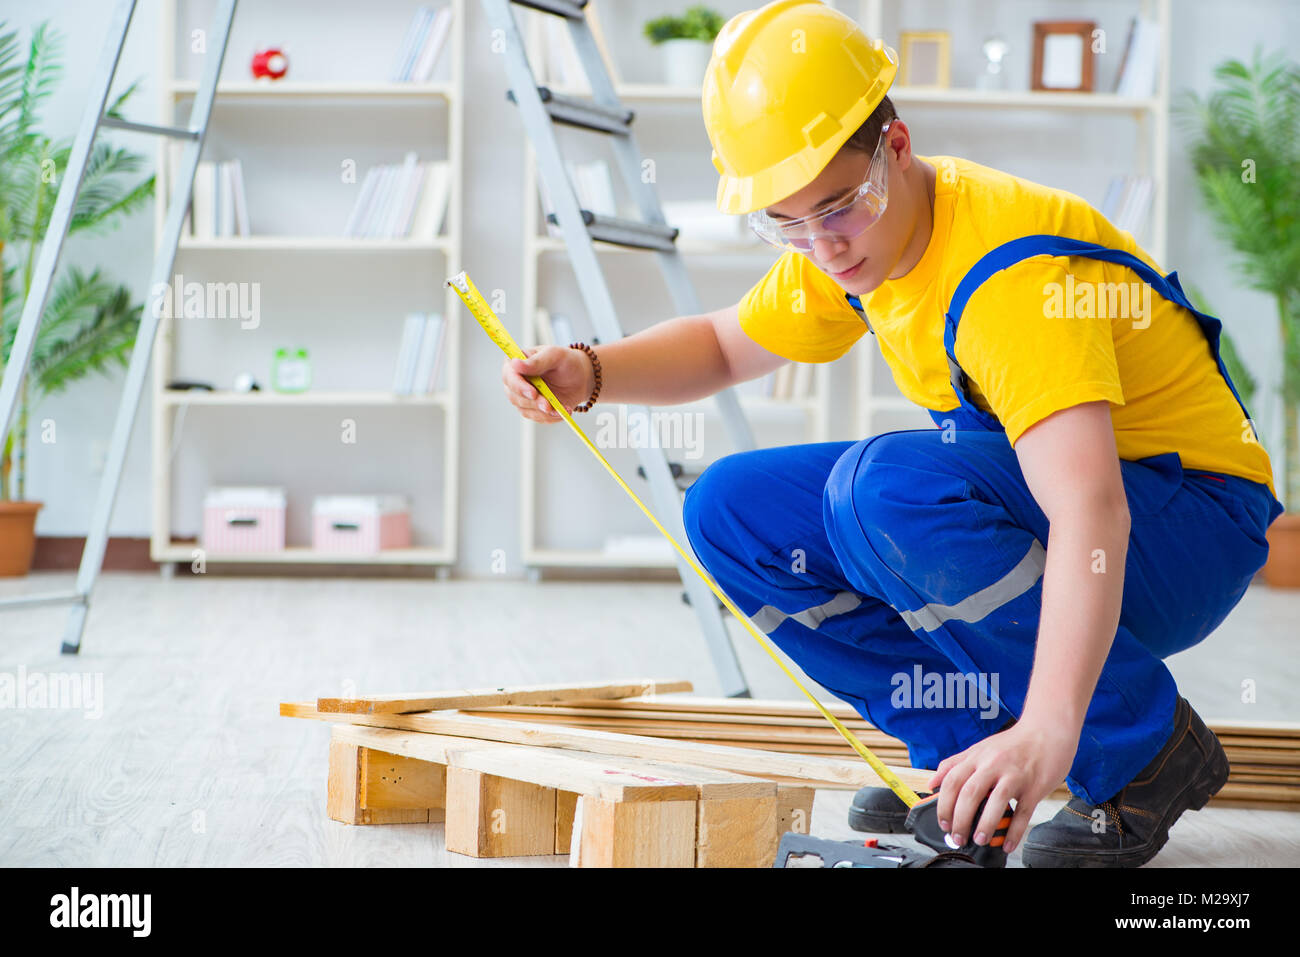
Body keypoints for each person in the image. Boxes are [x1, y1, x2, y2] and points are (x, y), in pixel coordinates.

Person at [499, 0, 1284, 867]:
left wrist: (1058, 725)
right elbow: (724, 345)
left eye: (838, 207)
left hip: (1182, 524)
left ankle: (1139, 752)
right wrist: (590, 369)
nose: (822, 246)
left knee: (885, 487)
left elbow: (1092, 510)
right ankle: (967, 761)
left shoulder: (1009, 276)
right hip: (1089, 508)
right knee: (731, 508)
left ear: (897, 147)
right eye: (786, 223)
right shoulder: (845, 242)